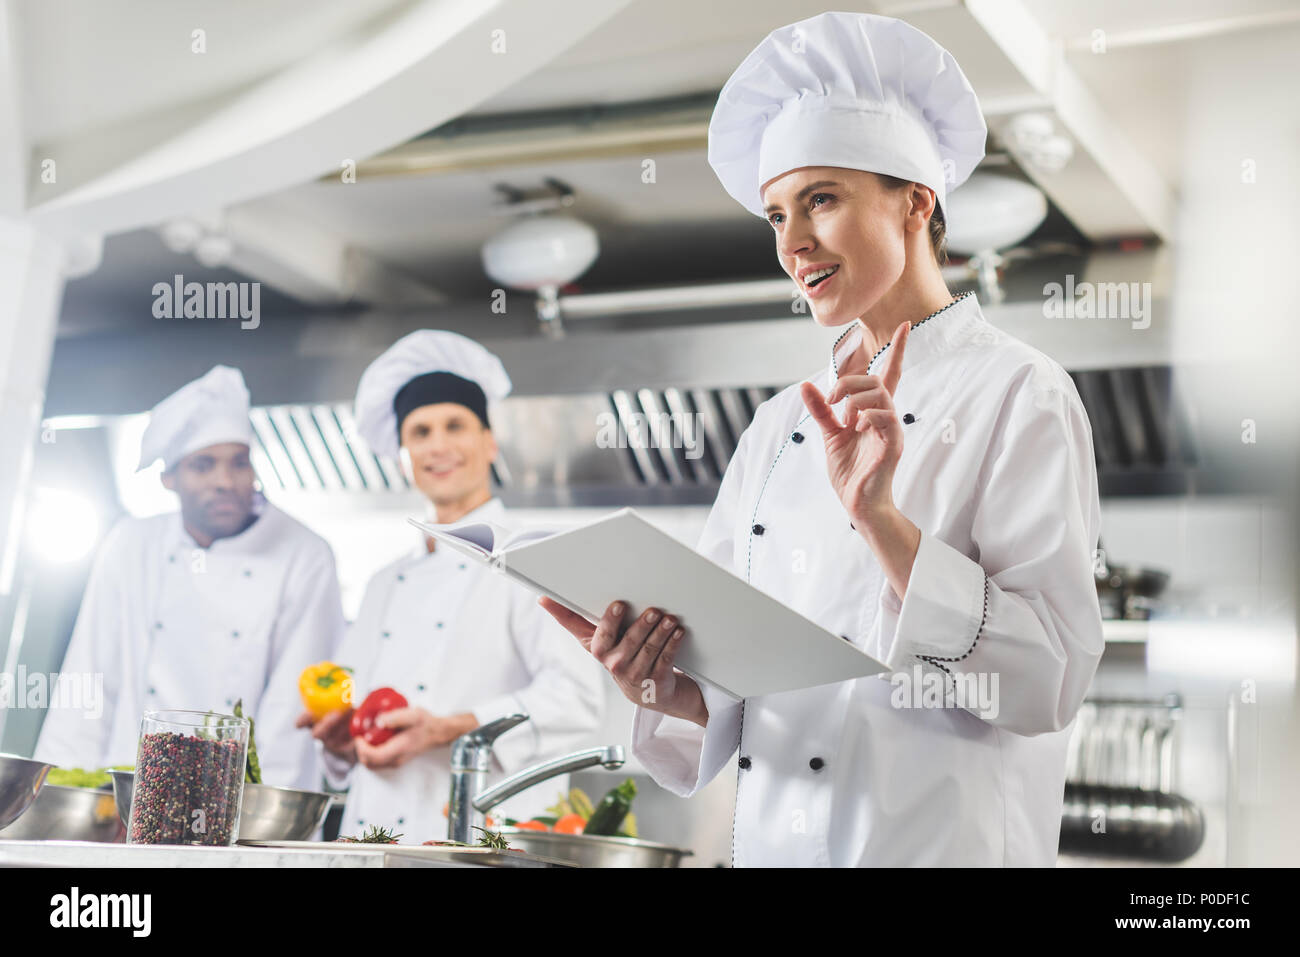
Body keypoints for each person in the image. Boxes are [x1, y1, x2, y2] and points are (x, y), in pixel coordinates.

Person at [540, 11, 1105, 866]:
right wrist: (663, 682)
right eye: (775, 215)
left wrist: (884, 523)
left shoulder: (1021, 393)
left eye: (822, 199)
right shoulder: (779, 426)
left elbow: (1050, 680)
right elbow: (736, 686)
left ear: (916, 202)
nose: (793, 242)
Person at [302, 330, 604, 839]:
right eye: (419, 432)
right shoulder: (382, 583)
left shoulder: (535, 560)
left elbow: (576, 700)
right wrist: (339, 739)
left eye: (454, 425)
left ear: (489, 441)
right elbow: (355, 716)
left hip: (482, 837)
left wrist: (447, 728)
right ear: (403, 455)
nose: (437, 445)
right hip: (372, 837)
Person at [34, 366, 346, 790]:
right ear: (169, 479)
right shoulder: (132, 543)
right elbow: (90, 678)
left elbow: (288, 715)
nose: (226, 481)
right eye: (204, 465)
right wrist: (58, 797)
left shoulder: (305, 554)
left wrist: (263, 826)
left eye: (239, 463)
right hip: (128, 794)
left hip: (235, 801)